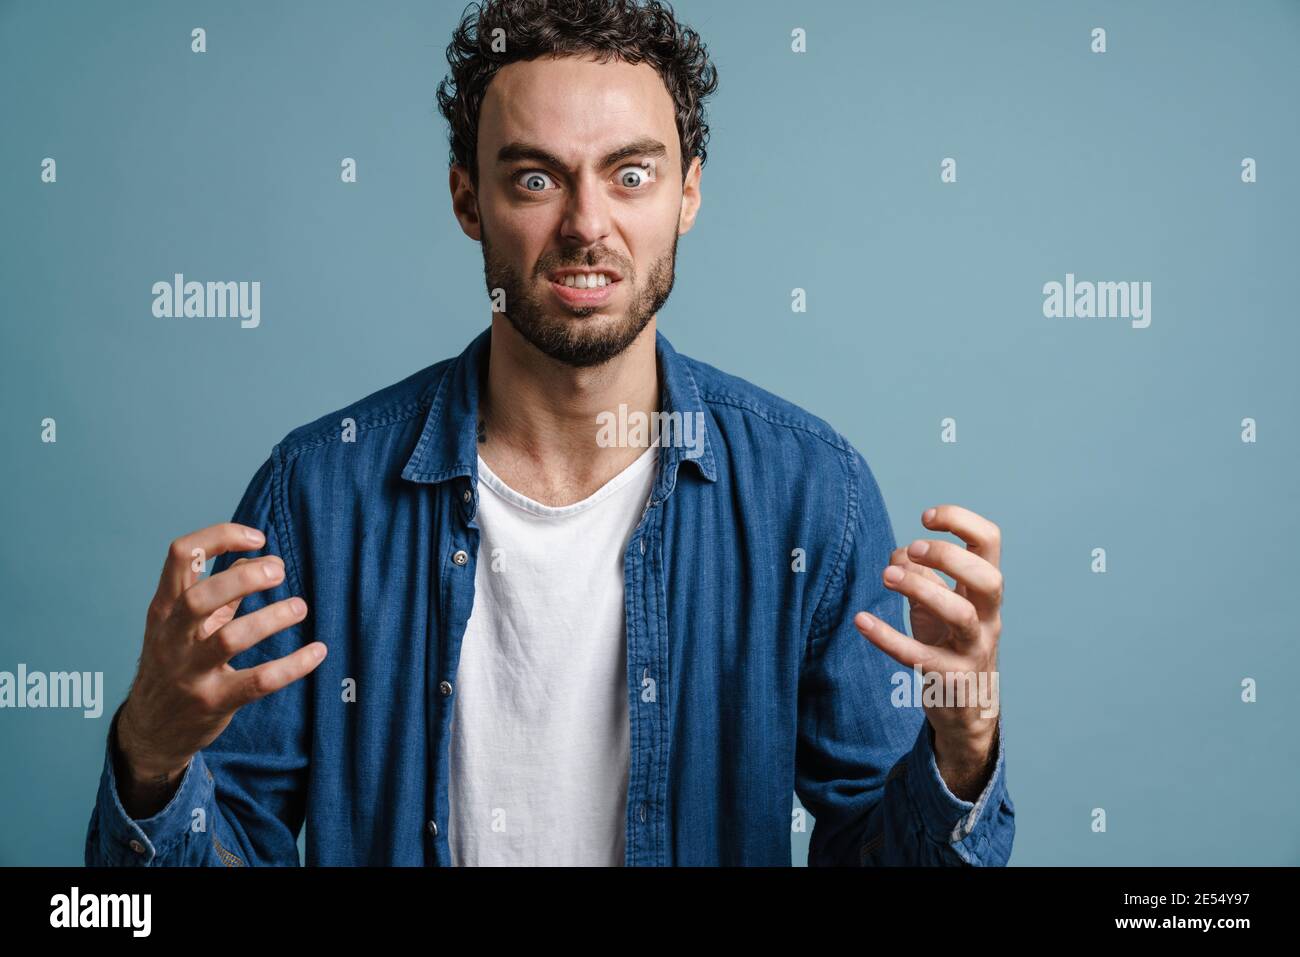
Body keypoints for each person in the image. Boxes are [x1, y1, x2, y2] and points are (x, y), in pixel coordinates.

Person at [86, 0, 1013, 867]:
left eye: (631, 173)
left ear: (687, 194)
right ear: (467, 200)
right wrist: (152, 757)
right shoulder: (317, 495)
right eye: (536, 178)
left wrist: (963, 750)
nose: (586, 224)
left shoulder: (812, 493)